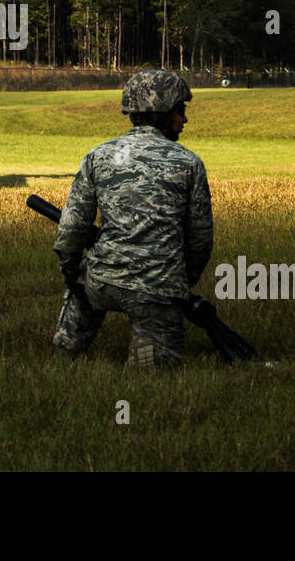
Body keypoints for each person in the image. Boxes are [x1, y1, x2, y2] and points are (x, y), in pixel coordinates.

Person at [52, 69, 214, 368]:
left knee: (80, 288)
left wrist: (71, 274)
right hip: (157, 288)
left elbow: (71, 229)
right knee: (150, 375)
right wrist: (181, 283)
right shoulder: (189, 163)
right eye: (181, 110)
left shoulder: (97, 156)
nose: (185, 120)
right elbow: (200, 239)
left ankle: (66, 351)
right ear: (164, 111)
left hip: (101, 282)